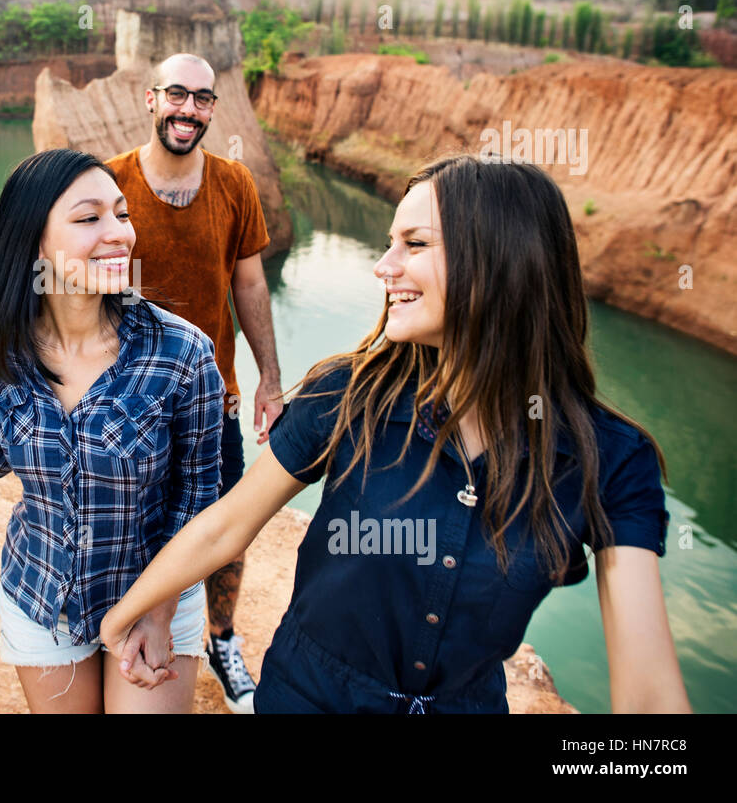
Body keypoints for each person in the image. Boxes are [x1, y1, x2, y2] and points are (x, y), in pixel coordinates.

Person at [100, 154, 691, 713]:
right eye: (389, 243)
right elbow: (227, 525)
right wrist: (132, 610)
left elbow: (648, 695)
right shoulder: (344, 393)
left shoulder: (610, 460)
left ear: (501, 259)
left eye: (414, 245)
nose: (384, 267)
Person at [0, 148, 224, 713]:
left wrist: (160, 610)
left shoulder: (182, 353)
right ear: (33, 242)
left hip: (152, 596)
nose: (118, 233)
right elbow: (17, 431)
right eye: (89, 217)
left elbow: (197, 501)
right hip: (40, 596)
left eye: (121, 214)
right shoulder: (2, 343)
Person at [102, 52, 282, 712]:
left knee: (226, 531)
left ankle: (221, 637)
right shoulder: (110, 185)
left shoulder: (234, 184)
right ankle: (123, 629)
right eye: (176, 94)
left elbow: (250, 283)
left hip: (215, 403)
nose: (189, 108)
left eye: (203, 98)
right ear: (151, 100)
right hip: (128, 407)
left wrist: (270, 378)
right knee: (130, 527)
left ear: (213, 108)